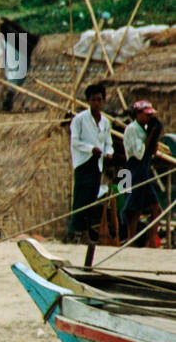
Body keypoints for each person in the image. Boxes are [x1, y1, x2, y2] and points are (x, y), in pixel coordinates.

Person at [69, 83, 113, 243]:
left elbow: (108, 142)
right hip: (83, 162)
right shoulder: (79, 119)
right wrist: (90, 148)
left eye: (99, 100)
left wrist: (109, 153)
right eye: (93, 100)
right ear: (88, 101)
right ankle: (79, 233)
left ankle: (83, 233)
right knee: (81, 197)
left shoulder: (106, 122)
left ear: (103, 101)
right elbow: (75, 141)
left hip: (97, 163)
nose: (97, 103)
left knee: (92, 197)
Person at [122, 101, 164, 246]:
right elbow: (139, 153)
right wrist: (151, 135)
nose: (148, 118)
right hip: (135, 170)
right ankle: (130, 240)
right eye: (146, 115)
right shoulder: (132, 129)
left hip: (144, 169)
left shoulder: (144, 129)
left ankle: (151, 239)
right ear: (138, 114)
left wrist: (154, 137)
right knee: (134, 208)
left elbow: (150, 152)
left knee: (156, 208)